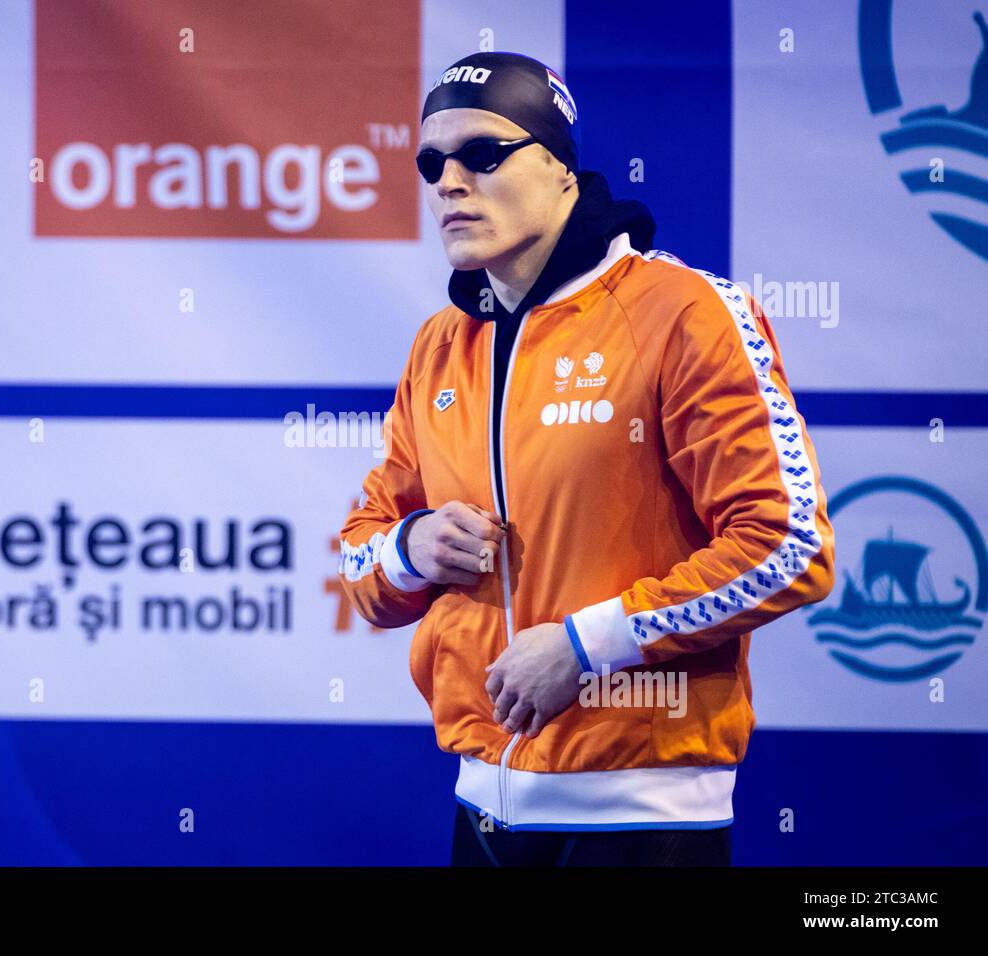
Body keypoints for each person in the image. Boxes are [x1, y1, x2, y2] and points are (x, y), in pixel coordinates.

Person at [337, 51, 836, 866]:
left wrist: (586, 645)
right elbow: (364, 557)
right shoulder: (439, 345)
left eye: (483, 154)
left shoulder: (683, 311)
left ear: (563, 170)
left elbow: (790, 546)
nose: (449, 182)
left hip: (645, 815)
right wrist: (411, 547)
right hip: (482, 805)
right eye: (432, 162)